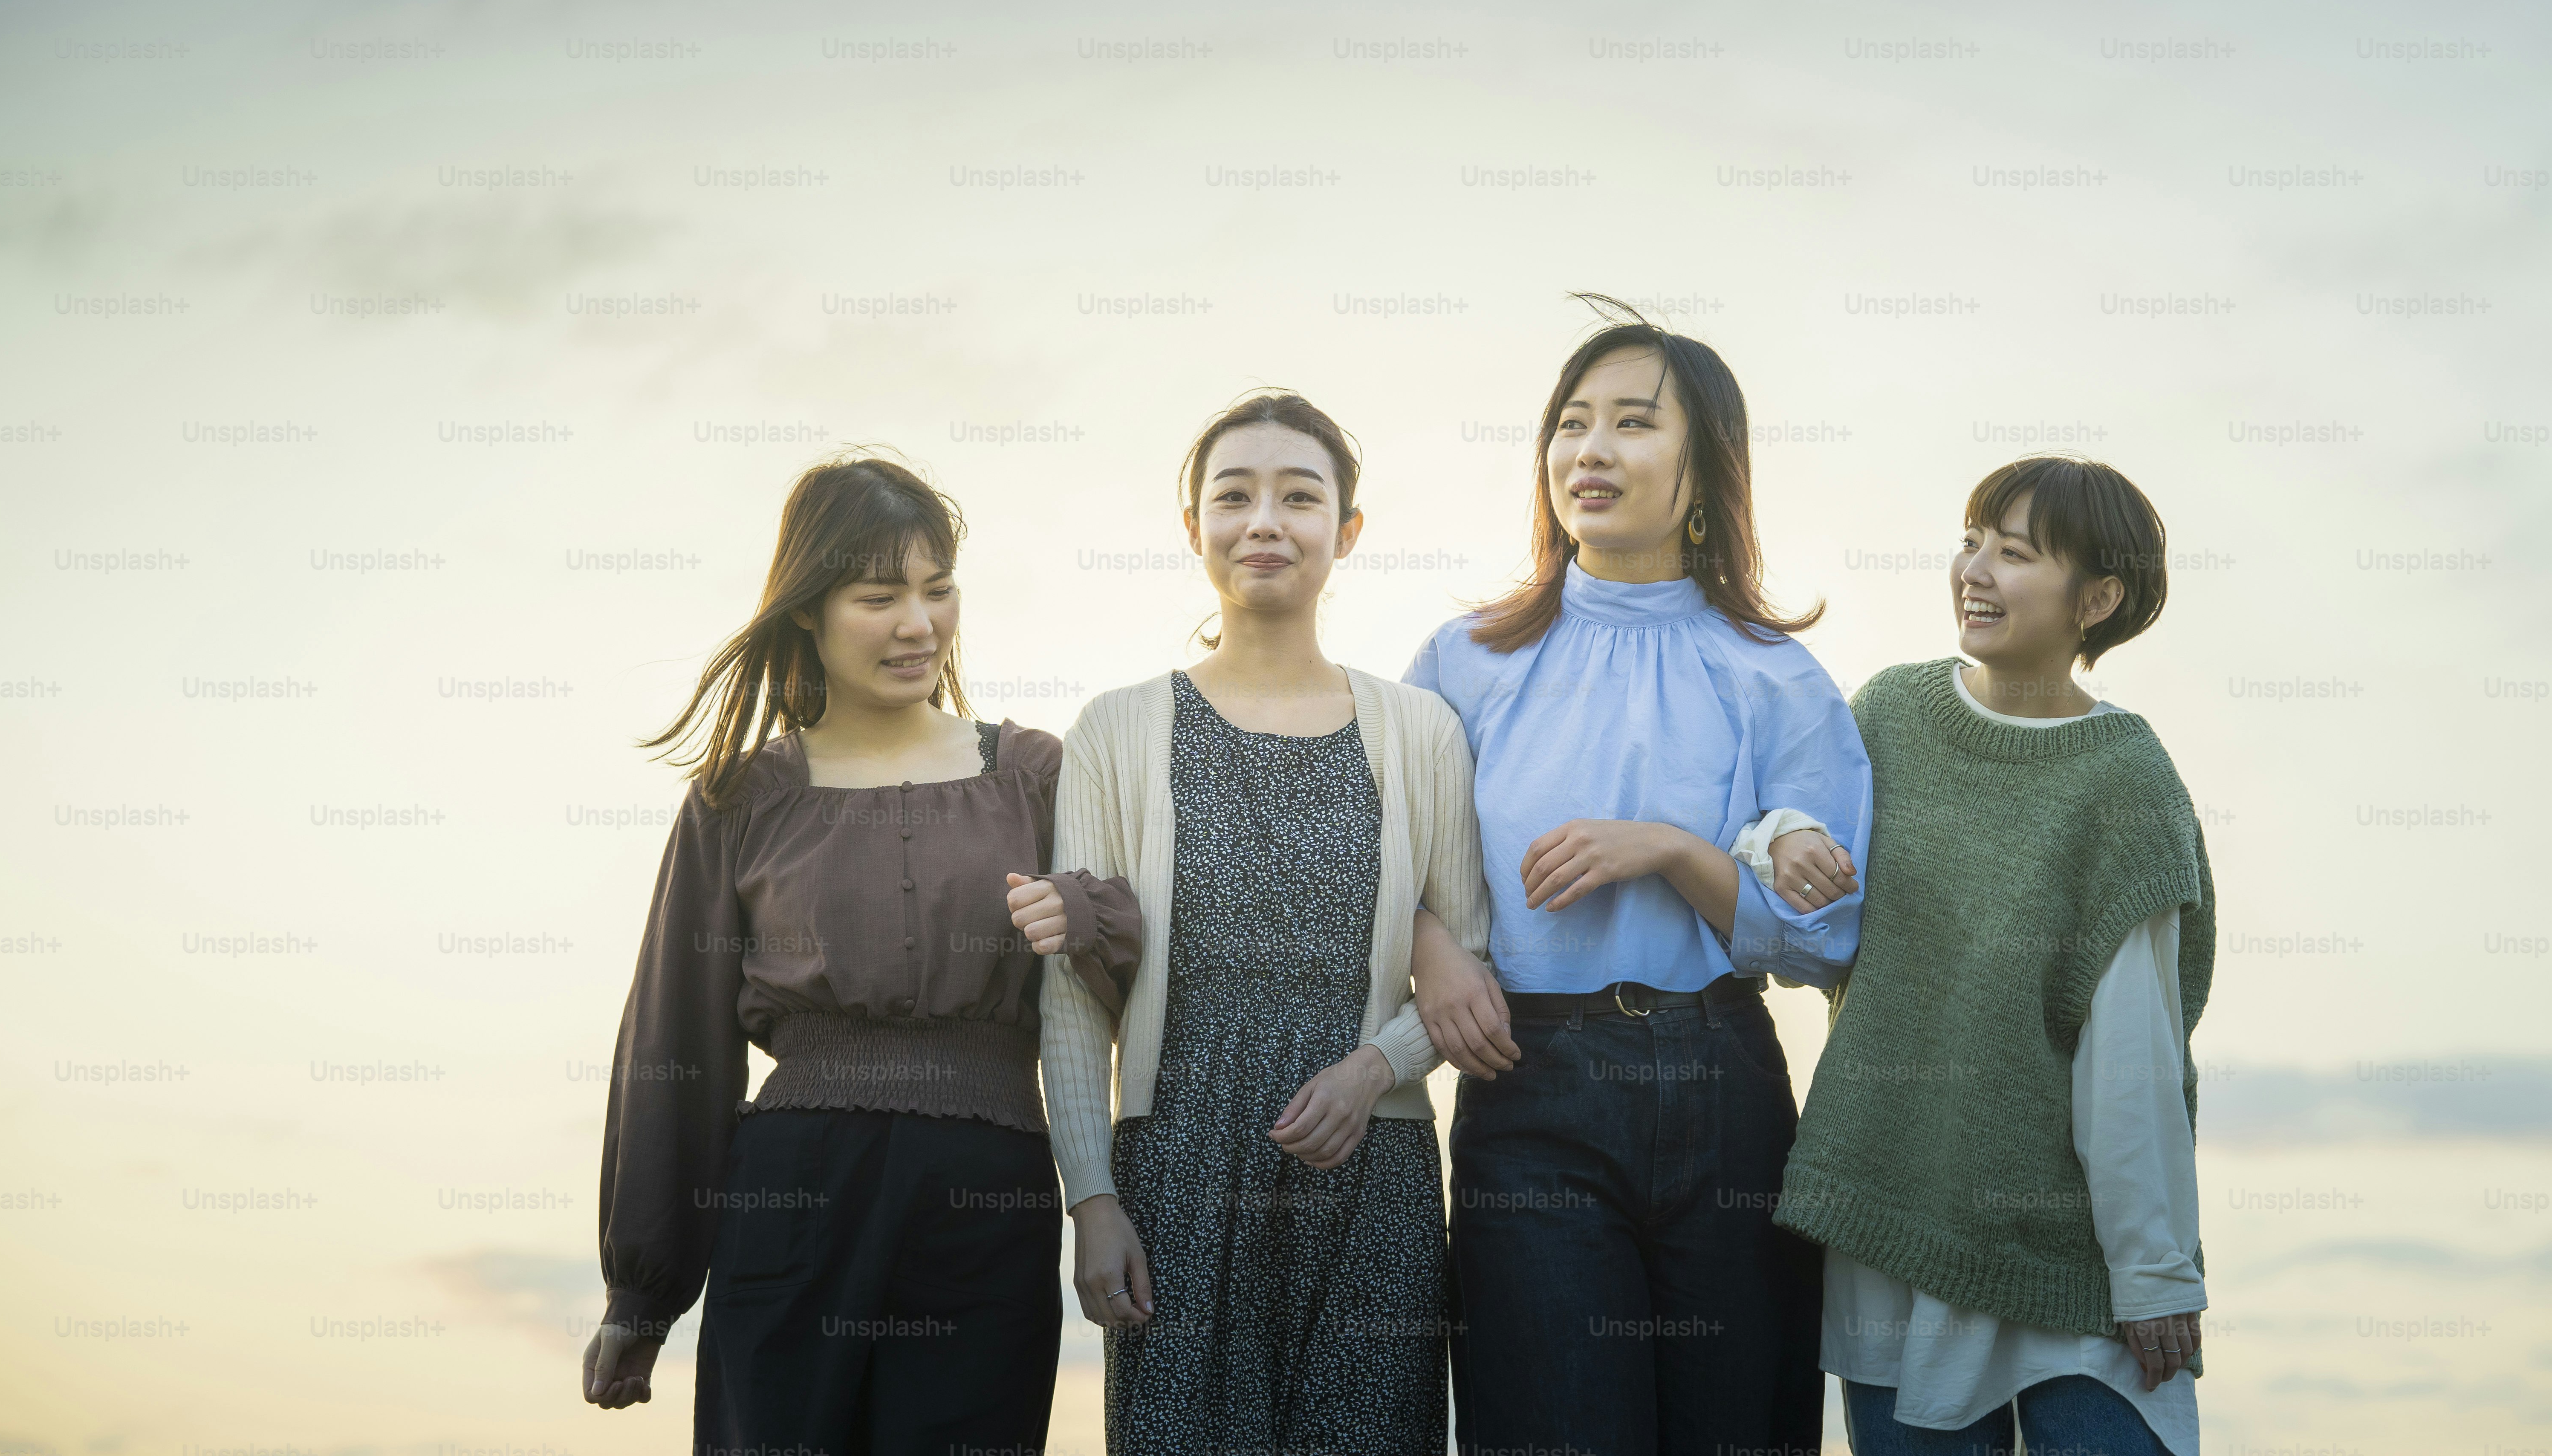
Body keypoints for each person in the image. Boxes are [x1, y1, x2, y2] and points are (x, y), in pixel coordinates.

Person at [579, 453, 1141, 1456]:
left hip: (989, 1203)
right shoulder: (739, 799)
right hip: (792, 1203)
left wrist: (1087, 918)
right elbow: (677, 1041)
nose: (918, 624)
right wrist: (643, 1289)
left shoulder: (1034, 774)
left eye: (938, 589)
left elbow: (1141, 979)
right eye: (879, 597)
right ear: (808, 609)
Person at [1407, 297, 1872, 1454]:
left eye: (1632, 422)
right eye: (1572, 423)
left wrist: (1671, 850)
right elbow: (1381, 858)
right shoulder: (1466, 661)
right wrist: (1431, 953)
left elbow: (1827, 941)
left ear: (1706, 470)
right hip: (1528, 1083)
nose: (1592, 450)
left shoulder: (1777, 675)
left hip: (1724, 1084)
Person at [1037, 391, 1493, 1456]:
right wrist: (1092, 1198)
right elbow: (1072, 993)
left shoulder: (1422, 729)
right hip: (1174, 1170)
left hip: (1372, 1169)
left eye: (1300, 497)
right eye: (1234, 497)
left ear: (1348, 529)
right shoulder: (1115, 728)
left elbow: (1469, 962)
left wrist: (1374, 1069)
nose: (1265, 523)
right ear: (1193, 525)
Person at [1775, 455, 2213, 1456]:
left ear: (2097, 599)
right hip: (1892, 1219)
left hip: (2070, 1262)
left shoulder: (2127, 783)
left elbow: (2134, 1053)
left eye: (2013, 552)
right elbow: (1788, 866)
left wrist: (2153, 1272)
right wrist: (1778, 839)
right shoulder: (1889, 714)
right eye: (1971, 540)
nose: (1974, 569)